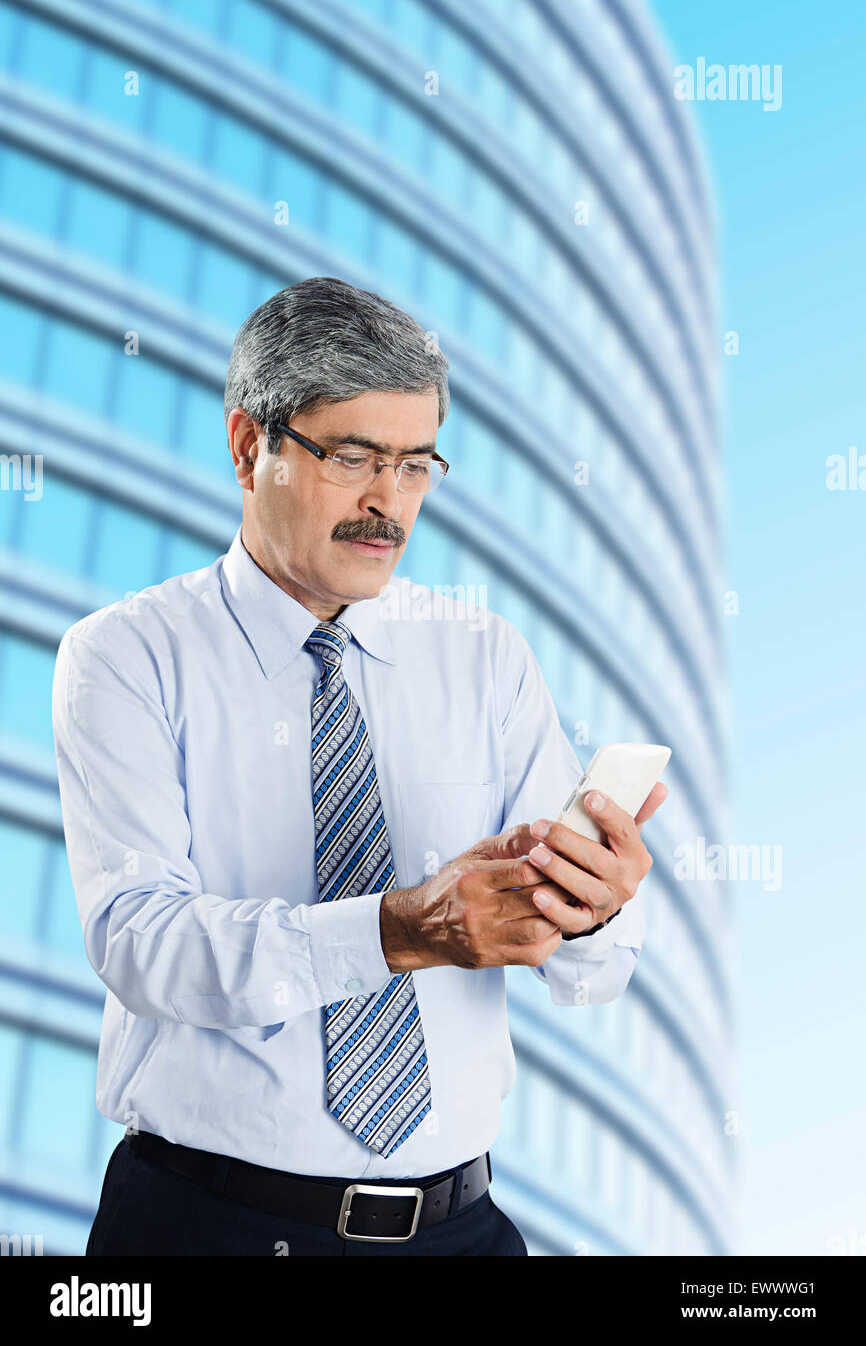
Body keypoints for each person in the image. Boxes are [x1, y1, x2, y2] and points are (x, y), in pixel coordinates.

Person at [52, 276, 666, 1257]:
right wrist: (396, 930)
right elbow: (141, 944)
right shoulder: (127, 656)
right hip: (211, 1227)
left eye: (416, 464)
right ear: (251, 445)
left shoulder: (483, 656)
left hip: (459, 1231)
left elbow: (591, 975)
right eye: (352, 457)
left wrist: (591, 905)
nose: (389, 501)